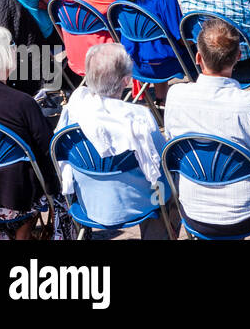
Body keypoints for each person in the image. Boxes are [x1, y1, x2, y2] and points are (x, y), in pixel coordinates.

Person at [163, 18, 250, 239]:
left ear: (198, 57)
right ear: (238, 57)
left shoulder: (175, 95)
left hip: (193, 213)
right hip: (245, 216)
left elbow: (174, 148)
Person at [0, 26, 74, 239]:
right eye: (11, 45)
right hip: (20, 201)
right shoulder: (21, 103)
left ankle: (15, 233)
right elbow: (49, 154)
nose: (15, 49)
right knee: (66, 178)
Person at [54, 43, 176, 238]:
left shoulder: (72, 112)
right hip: (137, 202)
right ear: (126, 80)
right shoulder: (138, 117)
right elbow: (162, 161)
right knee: (170, 186)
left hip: (89, 202)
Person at [115, 0, 190, 92]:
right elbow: (180, 38)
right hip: (164, 65)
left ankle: (155, 99)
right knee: (195, 53)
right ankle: (163, 101)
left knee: (148, 45)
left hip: (133, 63)